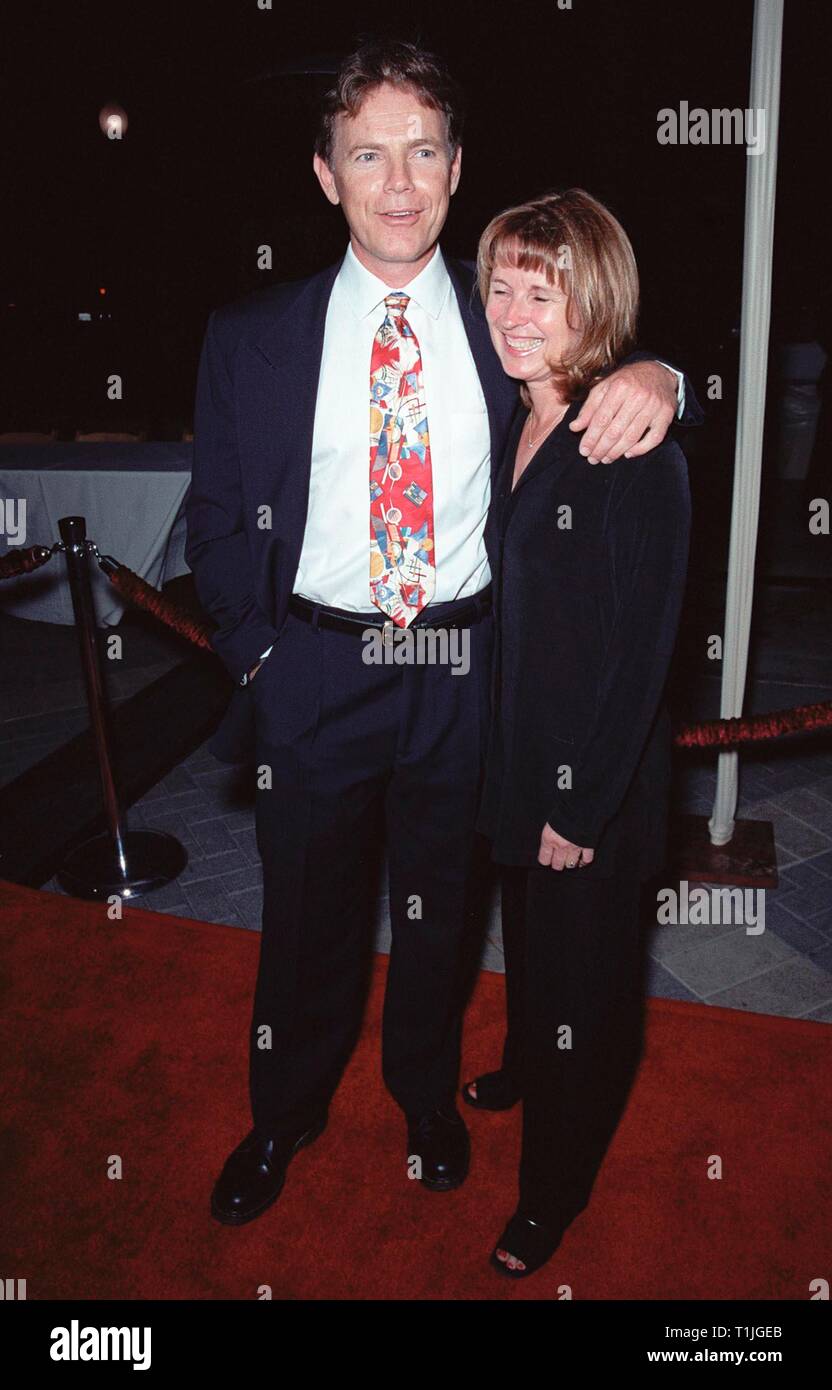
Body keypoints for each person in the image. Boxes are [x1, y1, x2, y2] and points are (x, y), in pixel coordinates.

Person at [184, 40, 700, 1229]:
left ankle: (424, 1094)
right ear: (326, 174)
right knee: (303, 911)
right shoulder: (251, 333)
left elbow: (613, 342)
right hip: (314, 663)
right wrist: (262, 655)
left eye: (423, 150)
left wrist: (667, 374)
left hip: (464, 671)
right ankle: (283, 1112)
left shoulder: (503, 314)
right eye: (369, 152)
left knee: (438, 910)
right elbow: (213, 521)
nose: (399, 179)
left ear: (457, 167)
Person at [467, 189, 692, 1278]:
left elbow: (640, 657)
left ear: (590, 298)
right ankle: (520, 1060)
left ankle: (548, 1193)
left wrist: (577, 803)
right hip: (515, 758)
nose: (511, 309)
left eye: (539, 291)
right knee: (532, 949)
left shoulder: (630, 442)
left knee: (584, 992)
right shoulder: (524, 407)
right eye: (500, 284)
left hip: (587, 778)